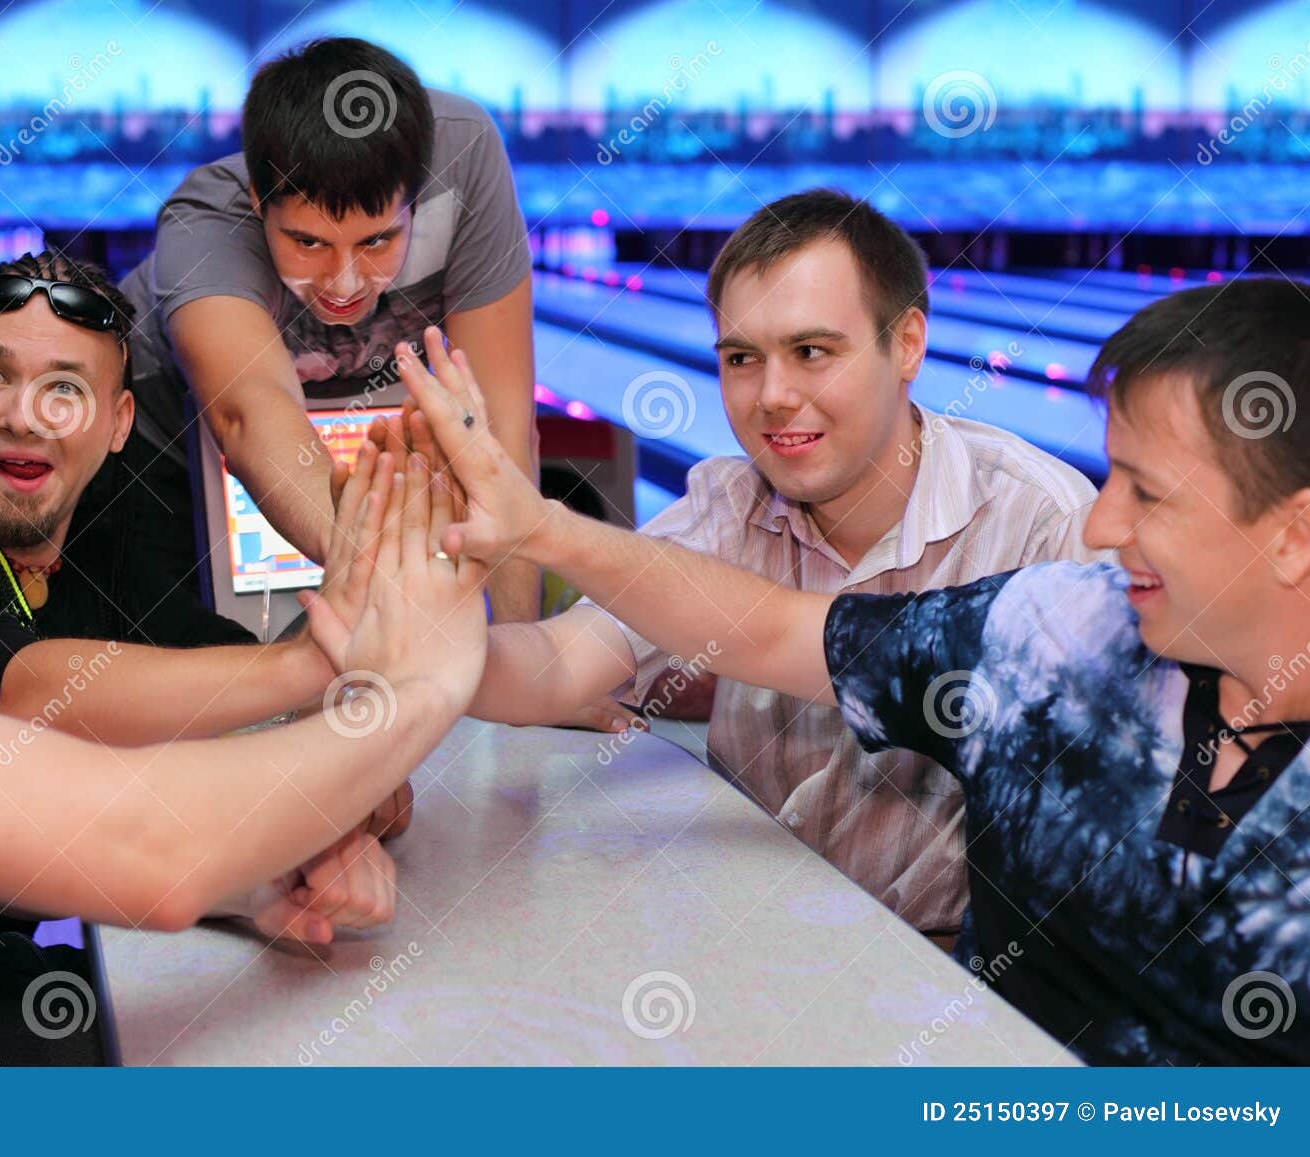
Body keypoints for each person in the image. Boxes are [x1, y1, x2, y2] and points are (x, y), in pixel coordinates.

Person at [384, 276, 1310, 1064]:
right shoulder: (1059, 626)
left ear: (1292, 534)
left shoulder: (1038, 526)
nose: (1103, 525)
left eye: (1147, 493)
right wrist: (534, 537)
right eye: (742, 355)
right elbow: (774, 630)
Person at [0, 199, 485, 1067]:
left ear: (116, 421)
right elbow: (134, 836)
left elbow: (37, 809)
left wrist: (268, 866)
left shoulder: (87, 532)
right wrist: (409, 686)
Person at [378, 190, 1103, 942]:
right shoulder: (730, 502)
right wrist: (412, 617)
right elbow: (557, 662)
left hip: (948, 972)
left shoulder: (1040, 524)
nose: (773, 397)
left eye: (812, 352)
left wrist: (540, 531)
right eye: (741, 358)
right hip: (745, 942)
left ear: (909, 343)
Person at [117, 35, 539, 622]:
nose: (344, 285)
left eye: (377, 240)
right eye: (307, 242)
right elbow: (250, 414)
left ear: (416, 199)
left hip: (340, 462)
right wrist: (397, 588)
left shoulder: (463, 161)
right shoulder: (207, 222)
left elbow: (501, 431)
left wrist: (523, 655)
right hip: (156, 464)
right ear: (261, 199)